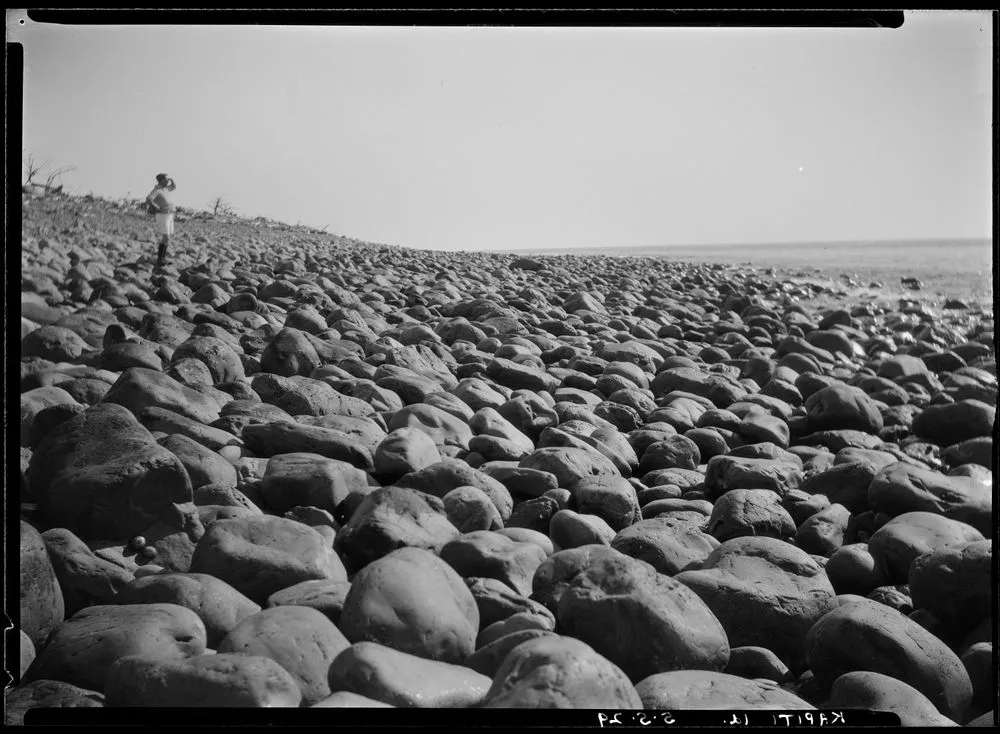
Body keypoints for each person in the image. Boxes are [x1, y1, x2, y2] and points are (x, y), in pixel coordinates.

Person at [146, 173, 177, 268]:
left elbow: (173, 187)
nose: (167, 181)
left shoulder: (166, 189)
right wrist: (156, 206)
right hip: (163, 215)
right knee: (166, 237)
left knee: (168, 237)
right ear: (161, 180)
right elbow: (148, 199)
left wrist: (172, 180)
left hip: (169, 214)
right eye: (166, 179)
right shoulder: (157, 190)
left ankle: (163, 258)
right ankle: (160, 259)